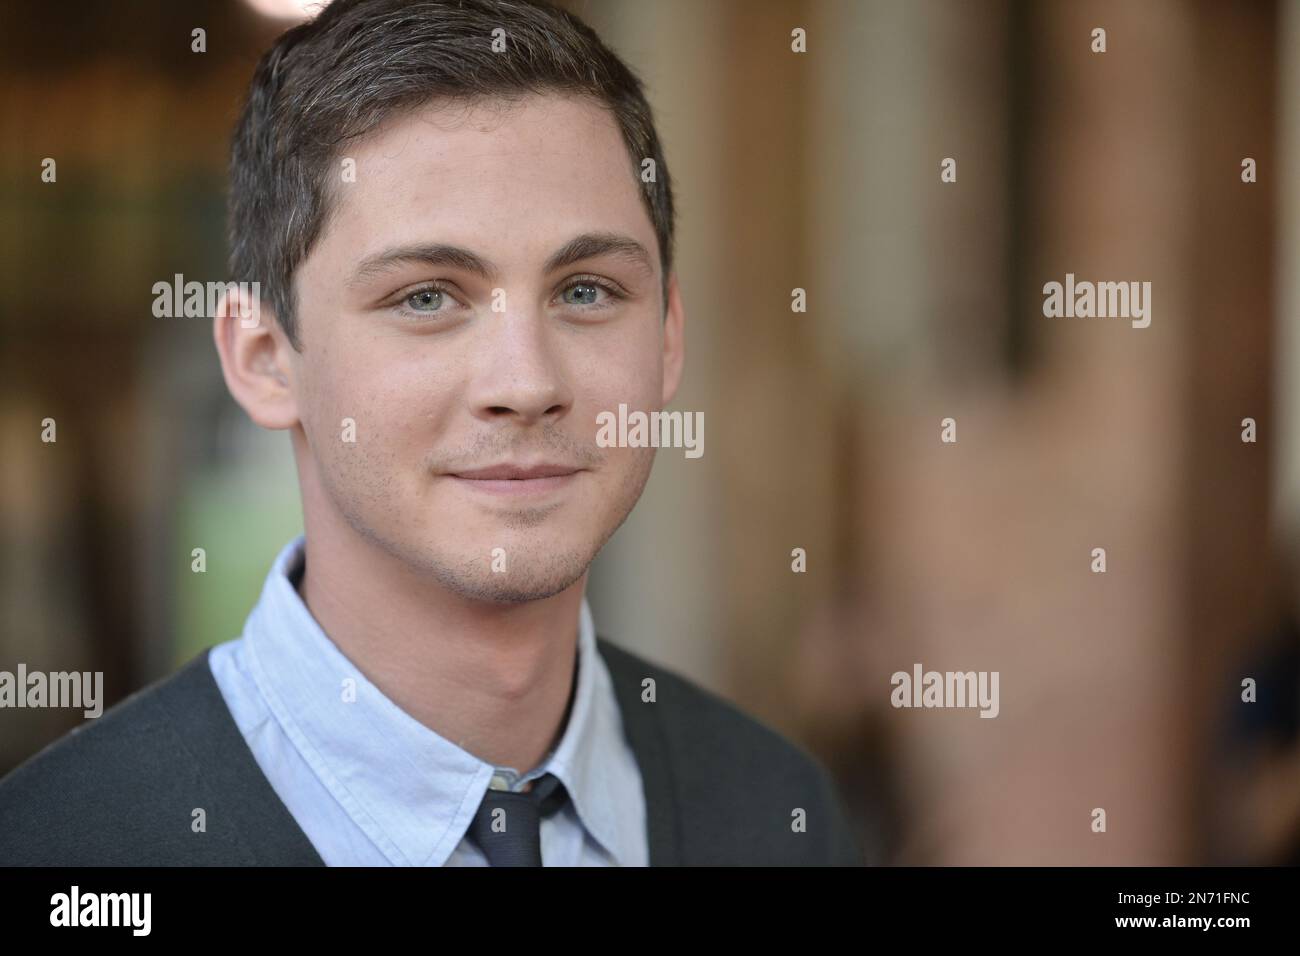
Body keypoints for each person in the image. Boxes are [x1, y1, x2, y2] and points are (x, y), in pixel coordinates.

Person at [0, 0, 862, 866]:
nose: (526, 383)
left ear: (668, 339)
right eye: (426, 297)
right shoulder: (61, 849)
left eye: (586, 291)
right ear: (264, 358)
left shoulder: (778, 812)